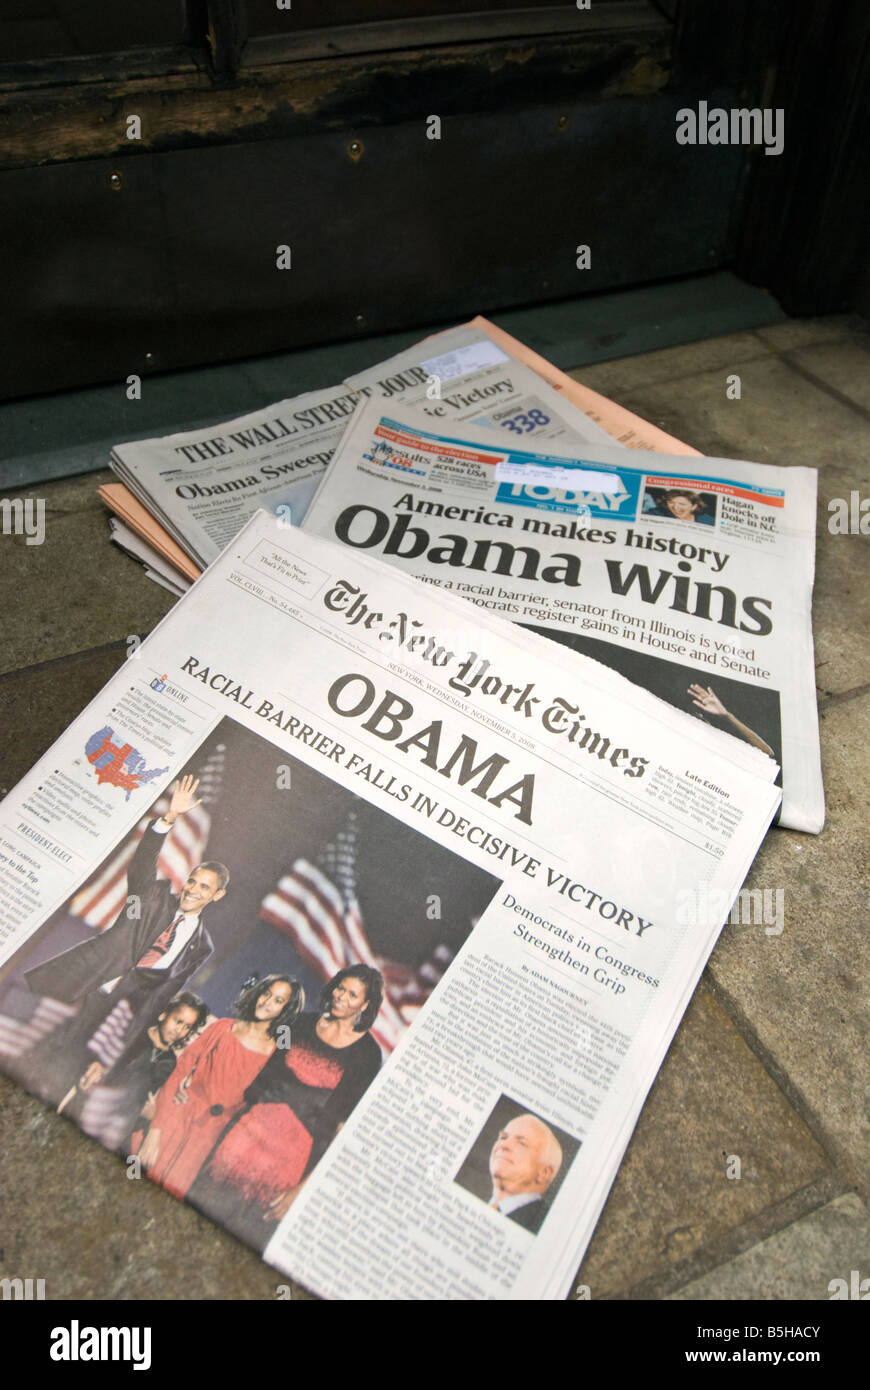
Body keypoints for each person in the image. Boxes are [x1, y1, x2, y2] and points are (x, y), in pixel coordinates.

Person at [18, 776, 226, 1104]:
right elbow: (142, 864)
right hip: (90, 980)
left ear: (217, 896)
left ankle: (45, 1095)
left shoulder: (202, 945)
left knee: (77, 1066)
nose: (193, 890)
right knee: (47, 1038)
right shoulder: (156, 896)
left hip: (123, 1012)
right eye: (192, 881)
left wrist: (128, 1040)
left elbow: (164, 993)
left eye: (204, 887)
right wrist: (169, 818)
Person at [192, 965, 383, 1249]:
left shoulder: (367, 1055)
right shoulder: (300, 1024)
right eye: (340, 987)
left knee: (246, 1239)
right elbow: (261, 1074)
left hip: (291, 1161)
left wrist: (304, 1189)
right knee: (200, 1213)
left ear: (365, 1005)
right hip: (244, 1136)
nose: (342, 996)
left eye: (352, 994)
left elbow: (344, 1129)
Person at [139, 974, 303, 1201]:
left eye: (278, 1000)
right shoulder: (222, 1027)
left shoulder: (276, 1052)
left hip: (211, 1141)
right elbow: (180, 1071)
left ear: (286, 1009)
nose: (266, 1002)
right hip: (176, 1117)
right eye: (266, 994)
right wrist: (155, 1130)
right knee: (134, 1175)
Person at [67, 992, 209, 1151]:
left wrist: (148, 1114)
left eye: (187, 1027)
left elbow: (147, 1101)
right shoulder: (135, 1036)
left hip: (116, 1127)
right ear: (163, 1015)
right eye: (178, 1021)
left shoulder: (169, 1062)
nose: (179, 1030)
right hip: (88, 1108)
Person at [487, 1113, 562, 1234]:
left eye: (521, 1143)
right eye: (503, 1137)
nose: (503, 1145)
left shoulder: (545, 1227)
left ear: (544, 1173)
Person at [687, 683, 774, 757]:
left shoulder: (724, 749)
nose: (701, 725)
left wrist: (726, 715)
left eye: (703, 721)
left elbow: (767, 753)